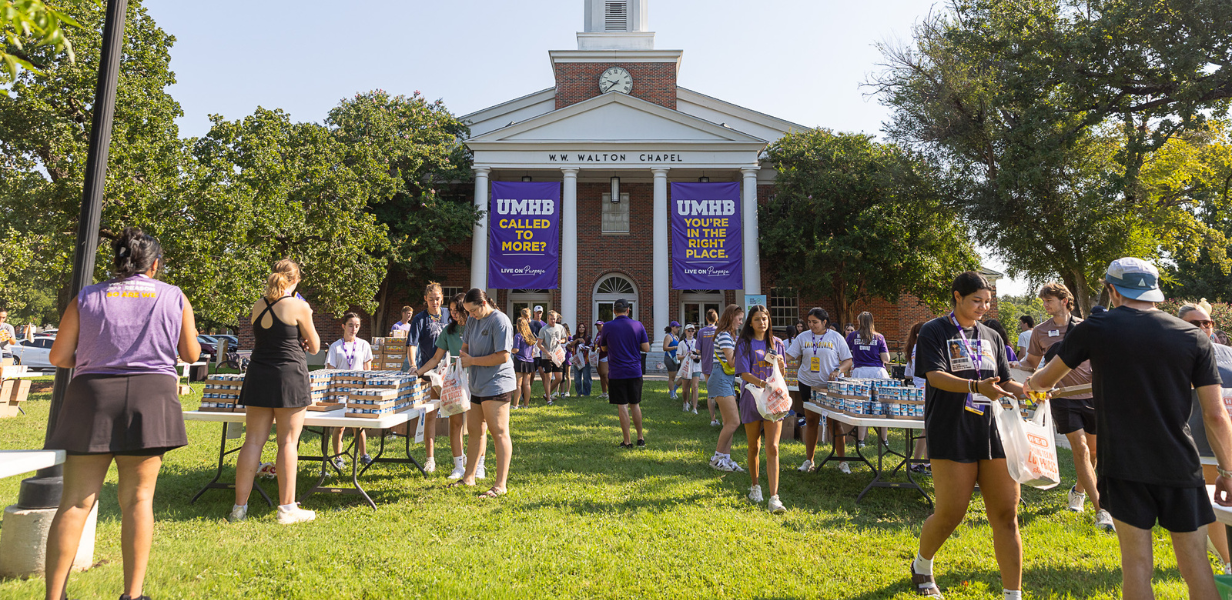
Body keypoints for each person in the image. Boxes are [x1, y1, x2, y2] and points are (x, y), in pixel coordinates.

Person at [1027, 258, 1232, 599]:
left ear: (1112, 289)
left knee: (1137, 566)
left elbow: (1044, 380)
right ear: (1155, 290)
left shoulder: (1095, 328)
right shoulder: (1193, 336)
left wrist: (1031, 384)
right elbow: (1215, 416)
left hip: (1123, 463)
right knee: (1196, 563)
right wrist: (1227, 470)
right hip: (1180, 463)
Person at [44, 228, 201, 600]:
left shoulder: (87, 297)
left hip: (91, 398)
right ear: (156, 265)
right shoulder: (174, 296)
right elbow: (192, 354)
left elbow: (58, 357)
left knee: (76, 500)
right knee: (138, 500)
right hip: (150, 397)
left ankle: (54, 596)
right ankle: (132, 595)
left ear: (116, 261)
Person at [911, 271, 1025, 599]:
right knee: (951, 513)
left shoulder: (991, 336)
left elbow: (1003, 381)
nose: (983, 307)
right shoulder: (934, 330)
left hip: (994, 430)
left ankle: (1012, 595)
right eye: (977, 301)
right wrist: (976, 387)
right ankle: (922, 565)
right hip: (951, 429)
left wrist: (1027, 390)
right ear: (957, 296)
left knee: (1006, 514)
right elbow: (934, 377)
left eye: (987, 302)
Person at [230, 259, 320, 526]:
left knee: (253, 442)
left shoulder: (258, 305)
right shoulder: (299, 306)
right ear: (295, 280)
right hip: (288, 377)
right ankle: (287, 509)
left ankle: (238, 508)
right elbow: (314, 346)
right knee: (288, 442)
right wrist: (306, 326)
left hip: (258, 375)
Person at [1021, 282, 1107, 529]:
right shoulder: (1039, 331)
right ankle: (1101, 509)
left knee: (1094, 452)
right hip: (1060, 398)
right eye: (1044, 301)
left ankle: (1077, 491)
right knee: (1080, 449)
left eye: (1049, 301)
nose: (1046, 305)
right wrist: (1013, 367)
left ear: (1064, 301)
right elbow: (1031, 363)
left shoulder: (1085, 327)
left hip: (1091, 395)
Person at [1179, 303, 1232, 571]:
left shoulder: (1228, 354)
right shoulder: (1173, 356)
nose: (1203, 327)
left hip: (1228, 441)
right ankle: (1228, 561)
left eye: (1207, 323)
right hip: (1198, 443)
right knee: (1217, 508)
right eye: (1194, 323)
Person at [450, 289, 516, 499]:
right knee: (474, 431)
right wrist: (459, 360)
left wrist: (472, 361)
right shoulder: (472, 320)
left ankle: (500, 485)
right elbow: (466, 347)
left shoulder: (500, 321)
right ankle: (469, 477)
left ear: (485, 302)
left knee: (498, 432)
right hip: (477, 383)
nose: (471, 315)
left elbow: (503, 356)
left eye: (473, 310)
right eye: (468, 312)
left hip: (497, 383)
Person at [416, 293, 484, 479]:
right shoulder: (448, 331)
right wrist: (419, 371)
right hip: (454, 380)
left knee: (476, 426)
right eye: (451, 310)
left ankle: (479, 465)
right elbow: (436, 358)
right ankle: (458, 466)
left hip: (476, 377)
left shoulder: (477, 327)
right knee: (455, 424)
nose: (453, 314)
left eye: (457, 310)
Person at [734, 304, 789, 513]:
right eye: (757, 319)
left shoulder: (777, 344)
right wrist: (763, 384)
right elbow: (743, 373)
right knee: (753, 446)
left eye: (764, 318)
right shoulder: (744, 344)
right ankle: (755, 485)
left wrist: (782, 366)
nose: (762, 322)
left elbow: (782, 375)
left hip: (774, 399)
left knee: (773, 447)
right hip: (752, 397)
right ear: (750, 322)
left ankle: (774, 497)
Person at [785, 307, 852, 473]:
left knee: (834, 423)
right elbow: (789, 356)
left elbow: (848, 360)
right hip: (807, 383)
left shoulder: (836, 337)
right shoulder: (803, 337)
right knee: (811, 421)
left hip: (828, 385)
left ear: (824, 322)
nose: (811, 325)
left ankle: (842, 462)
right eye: (809, 322)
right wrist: (773, 358)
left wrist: (838, 371)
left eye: (815, 322)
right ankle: (809, 460)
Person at [324, 312, 374, 470]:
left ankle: (363, 455)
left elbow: (367, 370)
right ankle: (338, 457)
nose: (354, 329)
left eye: (357, 326)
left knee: (358, 425)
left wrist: (367, 390)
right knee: (339, 426)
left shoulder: (364, 345)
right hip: (340, 391)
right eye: (351, 325)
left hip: (357, 391)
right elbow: (330, 371)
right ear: (343, 326)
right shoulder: (335, 346)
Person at [404, 282, 448, 452]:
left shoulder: (448, 315)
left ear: (442, 298)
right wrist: (414, 365)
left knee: (455, 415)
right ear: (425, 299)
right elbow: (412, 344)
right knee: (430, 414)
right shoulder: (419, 319)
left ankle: (458, 459)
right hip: (428, 372)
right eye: (431, 299)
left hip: (449, 372)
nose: (434, 302)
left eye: (437, 299)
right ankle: (430, 457)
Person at [600, 299, 650, 447]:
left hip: (617, 371)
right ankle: (640, 438)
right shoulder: (638, 325)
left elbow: (603, 348)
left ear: (614, 311)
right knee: (635, 404)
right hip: (635, 370)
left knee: (622, 405)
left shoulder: (607, 326)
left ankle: (627, 441)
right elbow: (646, 348)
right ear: (628, 310)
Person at [708, 304, 746, 471]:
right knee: (734, 422)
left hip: (726, 378)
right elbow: (731, 362)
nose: (741, 322)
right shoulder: (724, 336)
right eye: (739, 319)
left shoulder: (729, 336)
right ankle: (717, 457)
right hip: (721, 378)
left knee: (728, 422)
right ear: (731, 318)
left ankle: (726, 458)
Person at [846, 311, 891, 446]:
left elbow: (844, 353)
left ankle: (861, 440)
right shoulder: (879, 337)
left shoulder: (852, 336)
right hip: (878, 373)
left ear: (859, 322)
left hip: (860, 372)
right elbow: (886, 359)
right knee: (883, 406)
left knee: (861, 406)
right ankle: (884, 439)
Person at [904, 321, 930, 475]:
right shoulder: (921, 347)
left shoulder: (914, 347)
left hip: (922, 389)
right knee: (926, 429)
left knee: (928, 429)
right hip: (925, 390)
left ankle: (926, 463)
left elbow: (908, 373)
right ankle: (917, 463)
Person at [536, 310, 567, 404]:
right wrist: (546, 352)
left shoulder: (560, 327)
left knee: (559, 378)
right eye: (551, 319)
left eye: (554, 319)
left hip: (557, 355)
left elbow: (564, 339)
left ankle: (547, 394)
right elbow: (539, 344)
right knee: (548, 377)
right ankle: (549, 399)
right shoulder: (544, 329)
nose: (553, 321)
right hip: (547, 356)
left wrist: (560, 341)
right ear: (548, 319)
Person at [697, 309, 719, 425]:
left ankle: (713, 419)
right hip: (719, 365)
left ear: (706, 319)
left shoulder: (701, 332)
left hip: (706, 364)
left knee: (710, 393)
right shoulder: (720, 331)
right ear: (717, 319)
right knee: (721, 392)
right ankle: (725, 418)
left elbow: (697, 350)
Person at [511, 314, 536, 409]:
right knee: (527, 384)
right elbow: (533, 352)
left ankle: (515, 405)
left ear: (518, 325)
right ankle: (526, 405)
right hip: (529, 361)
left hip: (520, 360)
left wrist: (510, 351)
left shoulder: (518, 336)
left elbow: (516, 349)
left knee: (518, 384)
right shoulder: (531, 337)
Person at [678, 324, 701, 414]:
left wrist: (696, 356)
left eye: (692, 330)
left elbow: (701, 355)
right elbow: (678, 356)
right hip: (686, 367)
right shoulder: (681, 343)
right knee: (685, 388)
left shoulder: (697, 342)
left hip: (696, 367)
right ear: (685, 331)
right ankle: (685, 402)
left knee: (695, 387)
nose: (691, 332)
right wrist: (685, 355)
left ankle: (694, 407)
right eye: (689, 330)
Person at [569, 322, 593, 397]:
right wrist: (577, 340)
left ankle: (586, 393)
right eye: (580, 327)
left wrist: (586, 348)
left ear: (585, 329)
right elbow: (570, 344)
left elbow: (591, 346)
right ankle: (579, 393)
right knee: (577, 379)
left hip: (585, 360)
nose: (581, 329)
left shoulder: (588, 337)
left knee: (586, 378)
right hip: (577, 360)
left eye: (583, 327)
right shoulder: (574, 336)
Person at [662, 321, 682, 400]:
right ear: (672, 327)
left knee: (683, 376)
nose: (678, 329)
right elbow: (665, 348)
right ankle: (672, 394)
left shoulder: (676, 337)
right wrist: (674, 347)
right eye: (676, 327)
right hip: (670, 358)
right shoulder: (668, 337)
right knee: (672, 377)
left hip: (677, 358)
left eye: (678, 327)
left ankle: (674, 389)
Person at [594, 320, 610, 399]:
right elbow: (596, 343)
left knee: (605, 374)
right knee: (601, 375)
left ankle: (612, 393)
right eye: (597, 325)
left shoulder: (606, 333)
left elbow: (609, 344)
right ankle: (604, 393)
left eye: (600, 325)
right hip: (598, 356)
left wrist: (601, 349)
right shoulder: (598, 334)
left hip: (605, 356)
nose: (598, 327)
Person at [560, 322, 574, 398]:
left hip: (567, 357)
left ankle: (567, 391)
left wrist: (567, 343)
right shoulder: (560, 338)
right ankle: (558, 391)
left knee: (567, 375)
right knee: (560, 375)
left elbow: (571, 348)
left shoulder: (570, 338)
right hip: (560, 358)